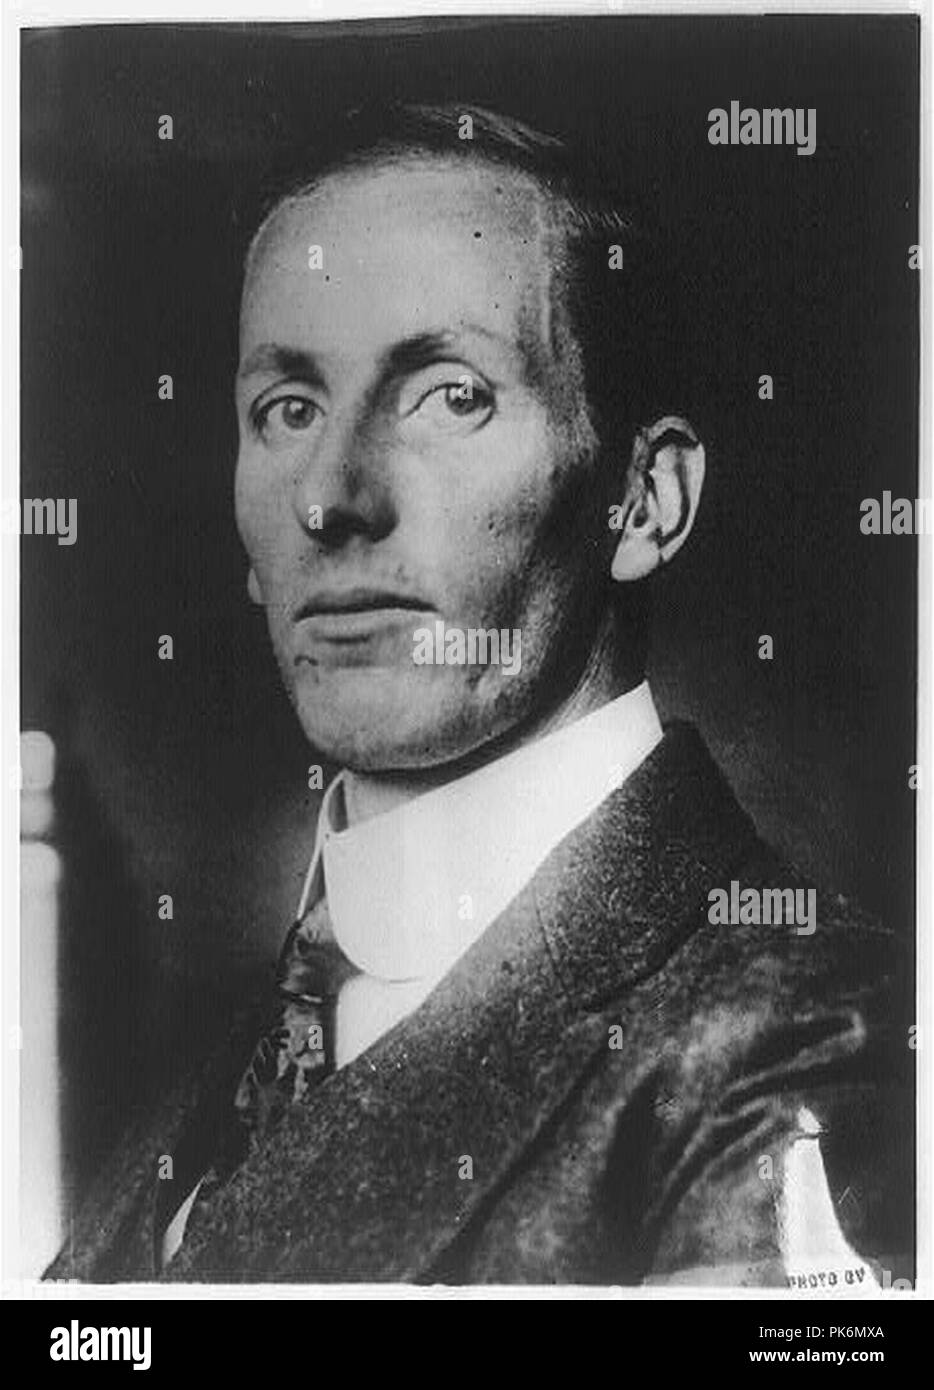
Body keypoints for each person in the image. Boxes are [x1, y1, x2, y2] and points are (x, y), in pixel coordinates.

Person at [46, 103, 913, 1286]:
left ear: (643, 500)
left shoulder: (809, 1046)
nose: (332, 498)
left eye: (448, 395)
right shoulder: (204, 1080)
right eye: (287, 410)